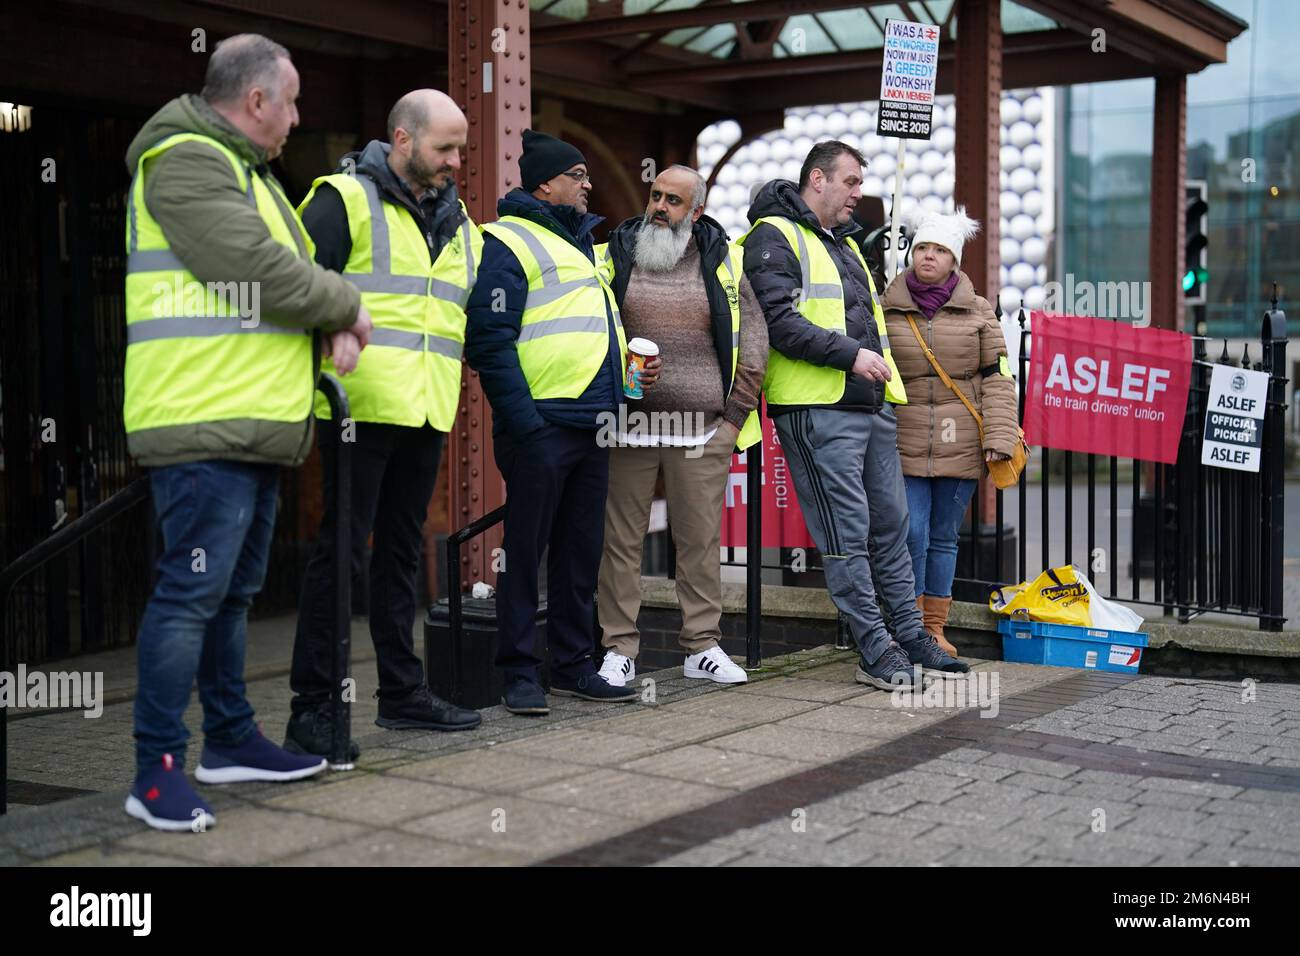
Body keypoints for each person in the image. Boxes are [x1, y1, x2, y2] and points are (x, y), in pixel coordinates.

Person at [121, 34, 374, 831]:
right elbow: (253, 267)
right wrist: (342, 306)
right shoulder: (188, 160)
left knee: (227, 599)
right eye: (292, 102)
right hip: (200, 419)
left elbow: (267, 281)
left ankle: (228, 742)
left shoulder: (248, 173)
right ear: (256, 99)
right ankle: (154, 768)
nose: (299, 119)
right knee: (188, 599)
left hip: (250, 423)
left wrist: (320, 323)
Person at [286, 89, 484, 758]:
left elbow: (469, 318)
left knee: (402, 555)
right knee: (338, 556)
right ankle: (313, 709)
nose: (458, 160)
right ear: (402, 140)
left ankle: (402, 694)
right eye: (445, 148)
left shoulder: (461, 225)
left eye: (461, 148)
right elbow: (289, 287)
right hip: (355, 408)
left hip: (425, 408)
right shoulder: (341, 201)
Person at [739, 140, 969, 690]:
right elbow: (779, 322)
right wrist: (852, 356)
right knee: (848, 532)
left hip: (868, 408)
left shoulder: (840, 242)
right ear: (817, 179)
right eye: (850, 182)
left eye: (862, 183)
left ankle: (910, 637)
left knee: (891, 527)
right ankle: (873, 650)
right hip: (817, 409)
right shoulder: (774, 236)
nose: (858, 194)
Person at [465, 130, 660, 715]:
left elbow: (590, 330)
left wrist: (628, 383)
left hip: (594, 422)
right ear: (545, 183)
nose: (588, 184)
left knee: (581, 553)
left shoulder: (581, 246)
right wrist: (525, 422)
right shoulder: (506, 242)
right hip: (543, 425)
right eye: (577, 175)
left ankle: (574, 665)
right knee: (526, 553)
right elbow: (489, 343)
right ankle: (520, 673)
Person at [594, 165, 766, 688]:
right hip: (627, 426)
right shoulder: (611, 255)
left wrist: (733, 421)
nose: (659, 208)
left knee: (699, 541)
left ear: (697, 212)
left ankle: (701, 646)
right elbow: (592, 328)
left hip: (702, 428)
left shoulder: (725, 260)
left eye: (673, 201)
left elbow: (754, 341)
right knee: (620, 542)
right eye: (655, 195)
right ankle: (618, 648)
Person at [880, 208, 1018, 655]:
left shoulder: (979, 312)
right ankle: (908, 626)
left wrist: (999, 438)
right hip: (904, 442)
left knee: (943, 537)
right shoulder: (886, 306)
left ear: (954, 261)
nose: (929, 256)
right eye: (922, 247)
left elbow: (998, 377)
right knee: (911, 533)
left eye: (939, 250)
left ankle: (935, 629)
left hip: (960, 444)